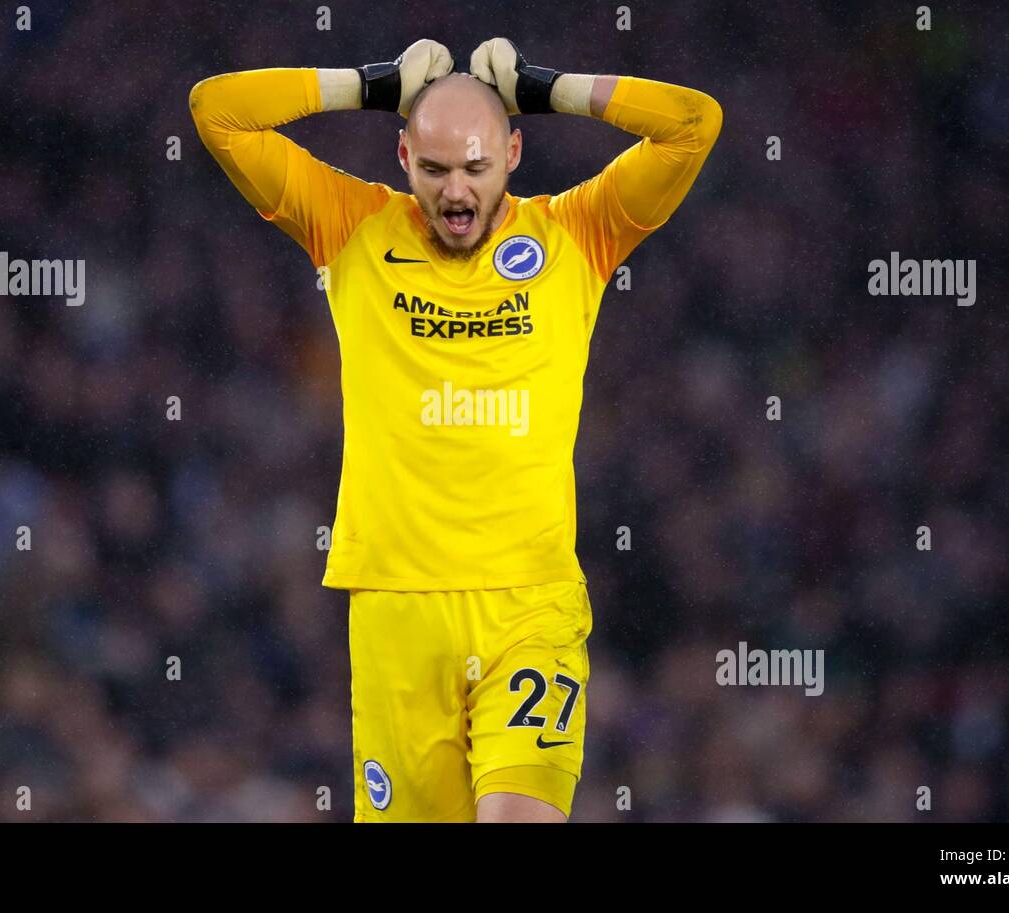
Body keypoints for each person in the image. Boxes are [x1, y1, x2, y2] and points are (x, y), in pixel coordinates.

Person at [190, 37, 722, 823]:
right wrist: (372, 86)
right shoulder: (353, 226)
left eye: (476, 167)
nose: (456, 191)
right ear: (402, 155)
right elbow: (218, 112)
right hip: (397, 611)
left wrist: (546, 88)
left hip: (529, 607)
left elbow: (692, 124)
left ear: (513, 150)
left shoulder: (577, 234)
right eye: (434, 169)